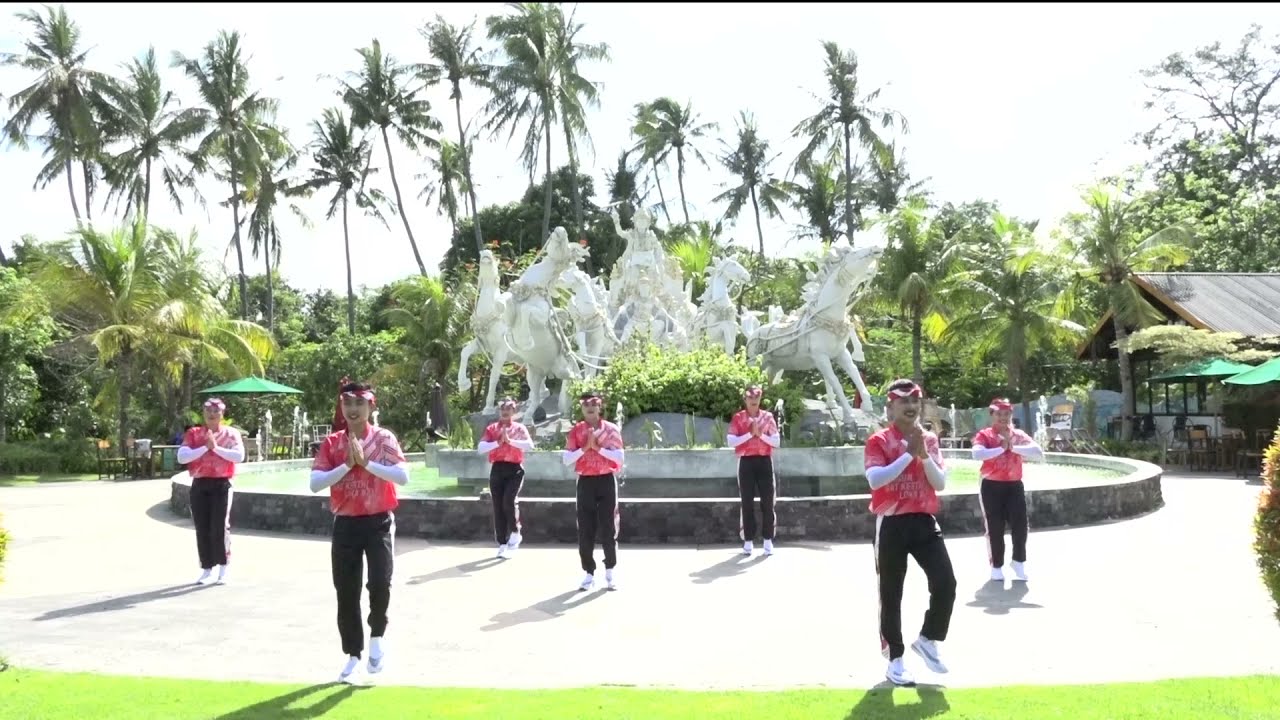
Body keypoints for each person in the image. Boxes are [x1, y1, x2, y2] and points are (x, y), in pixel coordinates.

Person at [308, 381, 411, 684]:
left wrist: (366, 464)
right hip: (346, 523)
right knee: (346, 591)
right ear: (341, 407)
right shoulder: (332, 443)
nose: (352, 410)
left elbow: (402, 476)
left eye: (359, 405)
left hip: (378, 520)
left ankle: (377, 635)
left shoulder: (383, 438)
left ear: (370, 407)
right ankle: (353, 655)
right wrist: (346, 466)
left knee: (380, 582)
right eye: (347, 404)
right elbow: (315, 483)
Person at [863, 378, 957, 687]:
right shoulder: (878, 441)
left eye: (915, 400)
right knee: (891, 593)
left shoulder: (928, 440)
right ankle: (896, 659)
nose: (911, 406)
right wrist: (907, 455)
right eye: (903, 401)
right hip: (891, 522)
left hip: (923, 521)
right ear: (890, 407)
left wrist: (923, 454)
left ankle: (929, 638)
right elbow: (876, 480)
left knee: (946, 581)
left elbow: (940, 483)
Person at [971, 397, 1044, 582]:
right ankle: (996, 566)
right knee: (995, 527)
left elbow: (1038, 452)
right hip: (991, 485)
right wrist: (1000, 450)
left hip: (1014, 485)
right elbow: (977, 453)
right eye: (999, 414)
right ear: (992, 415)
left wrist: (1013, 447)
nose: (1003, 418)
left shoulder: (1017, 435)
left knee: (1020, 525)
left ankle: (1018, 562)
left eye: (1007, 414)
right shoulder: (985, 435)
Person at [177, 398, 246, 586]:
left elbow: (239, 456)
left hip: (222, 484)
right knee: (202, 527)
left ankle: (223, 567)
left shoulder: (231, 434)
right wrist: (204, 448)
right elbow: (182, 456)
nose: (212, 415)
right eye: (208, 411)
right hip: (200, 484)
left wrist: (215, 448)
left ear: (222, 414)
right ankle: (207, 568)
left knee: (219, 526)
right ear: (203, 413)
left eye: (216, 412)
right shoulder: (194, 434)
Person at [562, 391, 625, 591]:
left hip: (606, 480)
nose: (589, 408)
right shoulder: (576, 431)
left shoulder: (611, 429)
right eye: (585, 405)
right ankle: (589, 572)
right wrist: (584, 448)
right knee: (586, 528)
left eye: (593, 405)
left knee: (608, 527)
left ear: (600, 407)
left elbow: (619, 458)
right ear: (582, 409)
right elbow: (566, 459)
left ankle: (610, 571)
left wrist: (598, 449)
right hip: (585, 482)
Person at [476, 397, 535, 558]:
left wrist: (510, 441)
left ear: (513, 411)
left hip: (514, 469)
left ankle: (515, 531)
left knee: (508, 500)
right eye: (502, 407)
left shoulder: (519, 428)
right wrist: (498, 443)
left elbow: (529, 445)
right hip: (497, 468)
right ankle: (502, 543)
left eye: (509, 408)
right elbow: (481, 448)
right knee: (497, 506)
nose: (505, 410)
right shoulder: (492, 429)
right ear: (499, 410)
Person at [727, 384, 781, 556]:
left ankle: (767, 540)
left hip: (764, 460)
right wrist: (750, 434)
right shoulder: (738, 418)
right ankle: (748, 540)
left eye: (756, 397)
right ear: (745, 399)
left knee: (768, 500)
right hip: (746, 462)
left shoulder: (767, 417)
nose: (753, 401)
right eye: (750, 398)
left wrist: (760, 435)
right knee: (747, 501)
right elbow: (731, 441)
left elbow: (776, 441)